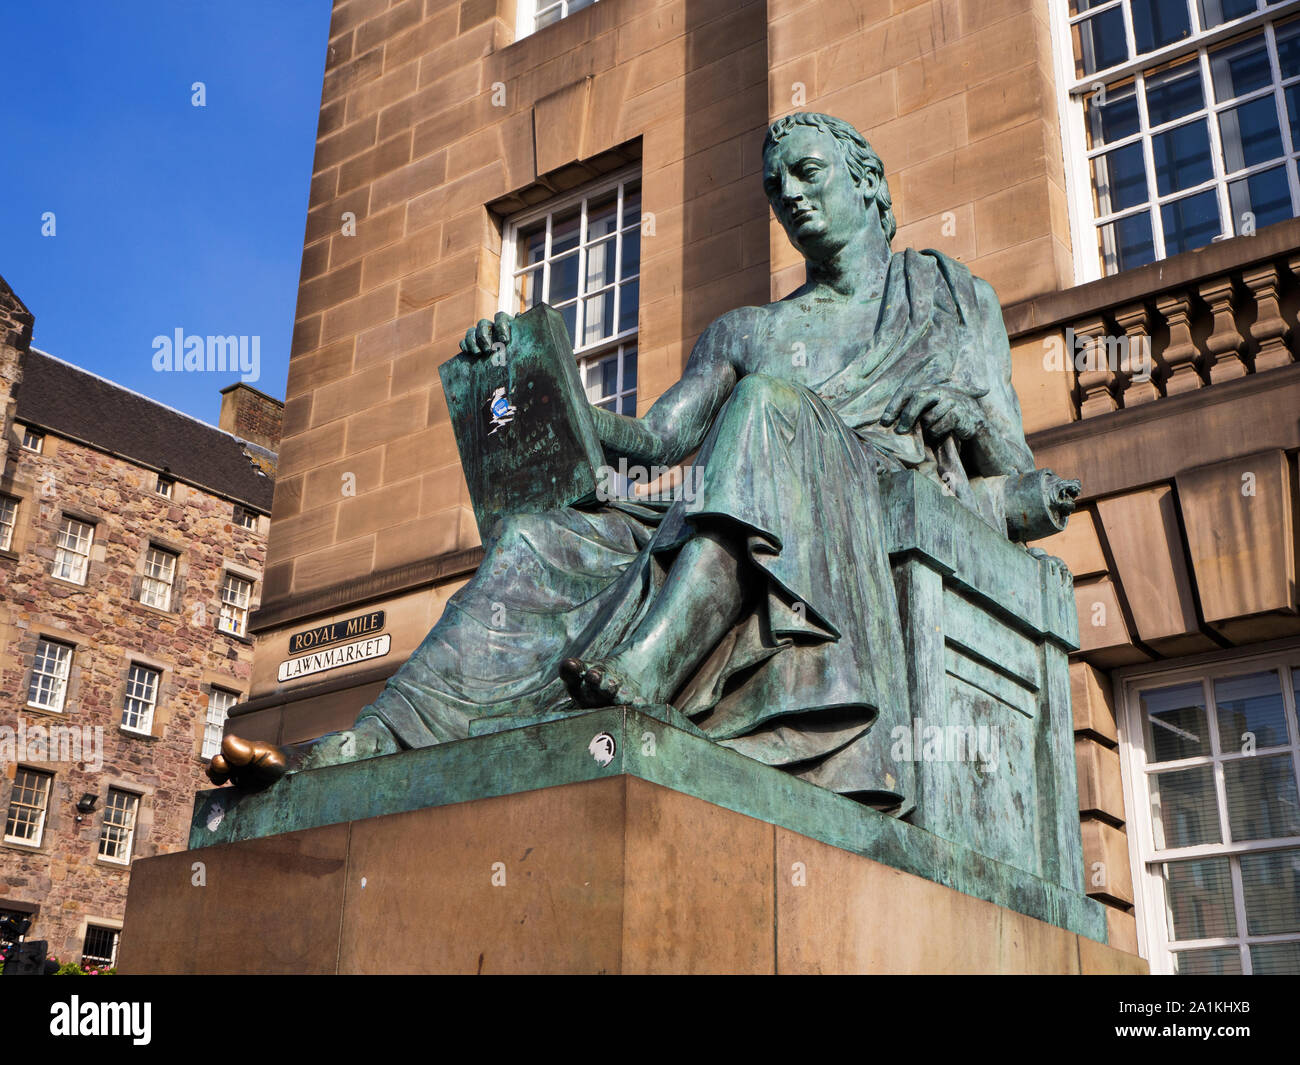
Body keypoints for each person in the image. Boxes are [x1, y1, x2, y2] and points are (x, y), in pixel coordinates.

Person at [211, 112, 1070, 812]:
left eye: (809, 174)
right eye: (777, 189)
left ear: (868, 180)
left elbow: (1018, 488)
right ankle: (381, 737)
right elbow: (660, 441)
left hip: (855, 523)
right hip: (732, 506)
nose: (792, 197)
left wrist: (965, 419)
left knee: (769, 407)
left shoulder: (949, 297)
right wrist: (530, 387)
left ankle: (651, 668)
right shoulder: (749, 331)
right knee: (543, 539)